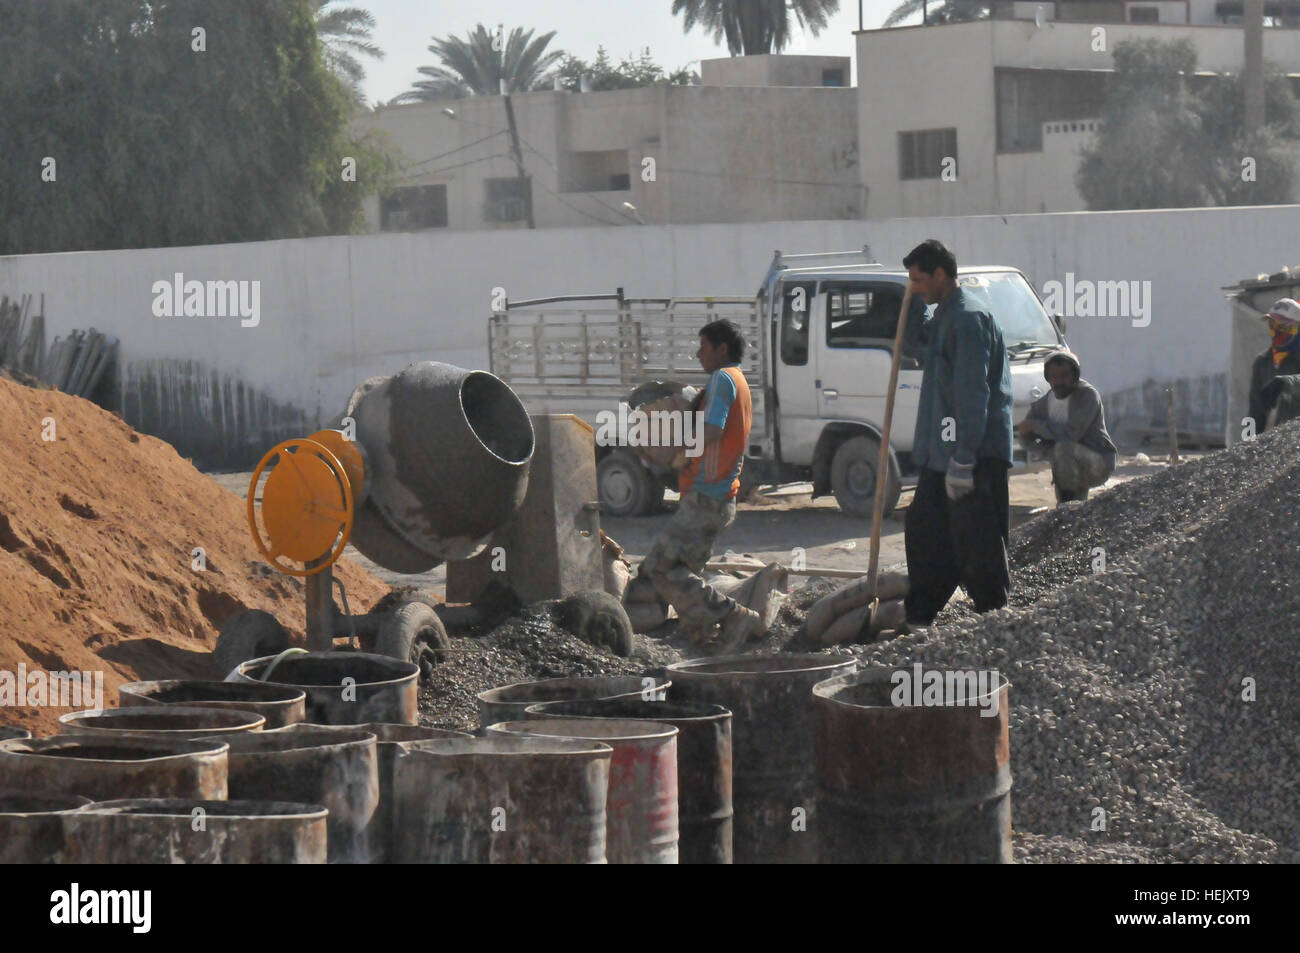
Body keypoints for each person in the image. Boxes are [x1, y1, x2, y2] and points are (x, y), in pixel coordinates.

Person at [900, 239, 1014, 631]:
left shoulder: (967, 319)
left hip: (973, 455)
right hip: (941, 454)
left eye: (918, 280)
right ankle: (920, 618)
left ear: (940, 275)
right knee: (925, 532)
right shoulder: (946, 316)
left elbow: (972, 392)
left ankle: (995, 622)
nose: (914, 285)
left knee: (976, 540)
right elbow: (913, 342)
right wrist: (913, 302)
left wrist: (964, 457)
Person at [638, 319, 765, 653]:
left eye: (703, 347)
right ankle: (704, 641)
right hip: (717, 498)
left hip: (707, 499)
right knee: (683, 574)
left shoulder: (723, 379)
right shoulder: (738, 380)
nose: (698, 354)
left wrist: (678, 449)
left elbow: (713, 429)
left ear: (722, 349)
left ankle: (734, 614)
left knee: (659, 568)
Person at [1015, 350, 1117, 504]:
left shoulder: (1087, 396)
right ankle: (1068, 512)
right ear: (1048, 379)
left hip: (1099, 463)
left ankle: (1066, 506)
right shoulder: (1043, 403)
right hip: (1066, 466)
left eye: (1064, 375)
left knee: (1064, 449)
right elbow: (1025, 436)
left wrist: (1037, 426)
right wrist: (1049, 453)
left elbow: (1070, 435)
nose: (1059, 381)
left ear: (1075, 376)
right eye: (1053, 377)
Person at [1247, 298, 1300, 433]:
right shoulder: (1263, 362)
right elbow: (1255, 411)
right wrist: (1246, 445)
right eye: (1273, 325)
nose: (1277, 331)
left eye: (1283, 326)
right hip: (1279, 445)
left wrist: (1286, 383)